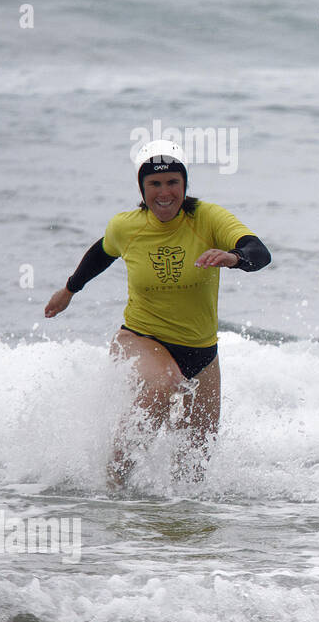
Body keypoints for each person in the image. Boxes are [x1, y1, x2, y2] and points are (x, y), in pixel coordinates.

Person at [43, 140, 271, 488]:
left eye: (172, 183)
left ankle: (170, 533)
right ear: (142, 188)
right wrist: (70, 289)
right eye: (155, 184)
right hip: (140, 338)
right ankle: (112, 488)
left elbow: (259, 251)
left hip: (203, 353)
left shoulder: (208, 218)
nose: (164, 193)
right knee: (164, 384)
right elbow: (101, 253)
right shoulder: (126, 226)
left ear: (184, 185)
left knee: (193, 474)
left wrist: (235, 258)